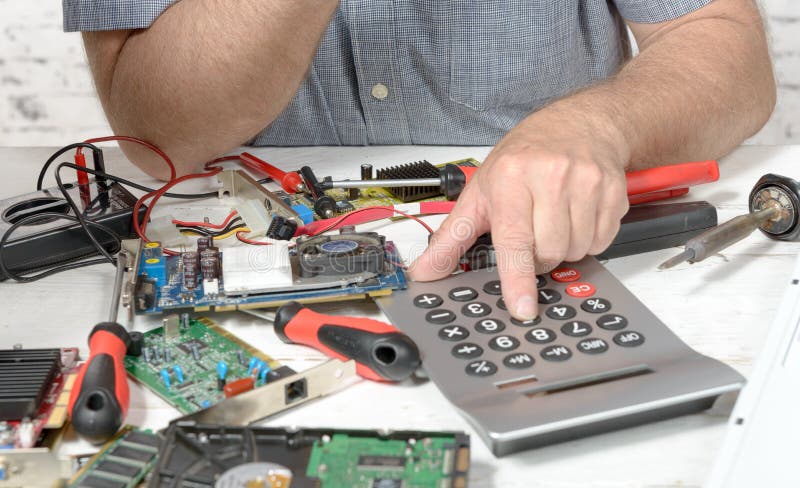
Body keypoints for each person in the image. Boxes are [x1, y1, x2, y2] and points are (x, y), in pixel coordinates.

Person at [64, 0, 775, 320]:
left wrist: (599, 124)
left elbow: (724, 47)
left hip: (558, 262)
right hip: (239, 272)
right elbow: (159, 135)